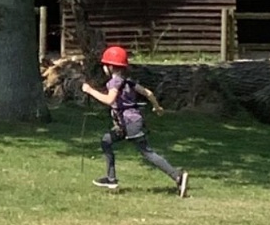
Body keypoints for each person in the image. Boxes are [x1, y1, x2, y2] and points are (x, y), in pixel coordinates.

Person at [81, 44, 189, 196]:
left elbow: (110, 100)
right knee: (106, 141)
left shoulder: (114, 82)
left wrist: (90, 90)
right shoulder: (128, 82)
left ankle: (177, 176)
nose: (104, 67)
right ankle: (111, 179)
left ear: (110, 67)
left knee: (147, 152)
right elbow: (148, 93)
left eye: (105, 64)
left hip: (129, 123)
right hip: (126, 123)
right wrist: (157, 107)